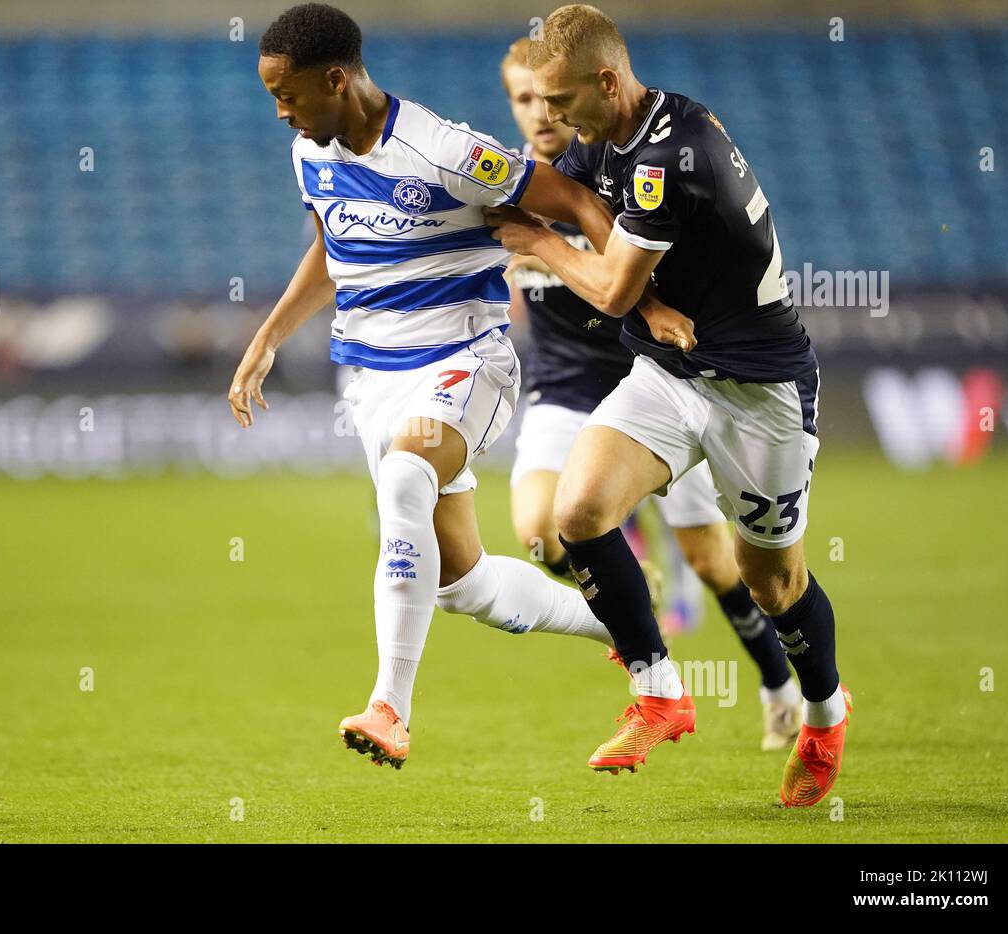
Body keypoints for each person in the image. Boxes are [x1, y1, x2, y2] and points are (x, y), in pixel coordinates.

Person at [229, 3, 692, 769]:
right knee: (462, 585)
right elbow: (331, 248)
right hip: (374, 381)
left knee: (409, 476)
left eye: (288, 94)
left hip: (465, 360)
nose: (280, 112)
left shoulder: (445, 150)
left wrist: (641, 298)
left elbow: (575, 200)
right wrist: (267, 337)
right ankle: (624, 626)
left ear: (337, 79)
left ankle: (390, 708)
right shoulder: (311, 150)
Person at [486, 6, 849, 806]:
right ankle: (658, 692)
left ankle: (822, 711)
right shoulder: (610, 134)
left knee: (770, 581)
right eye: (537, 103)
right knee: (575, 513)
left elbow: (612, 284)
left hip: (759, 391)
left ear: (607, 82)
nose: (551, 119)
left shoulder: (667, 156)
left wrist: (539, 244)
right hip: (671, 374)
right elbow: (561, 197)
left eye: (561, 100)